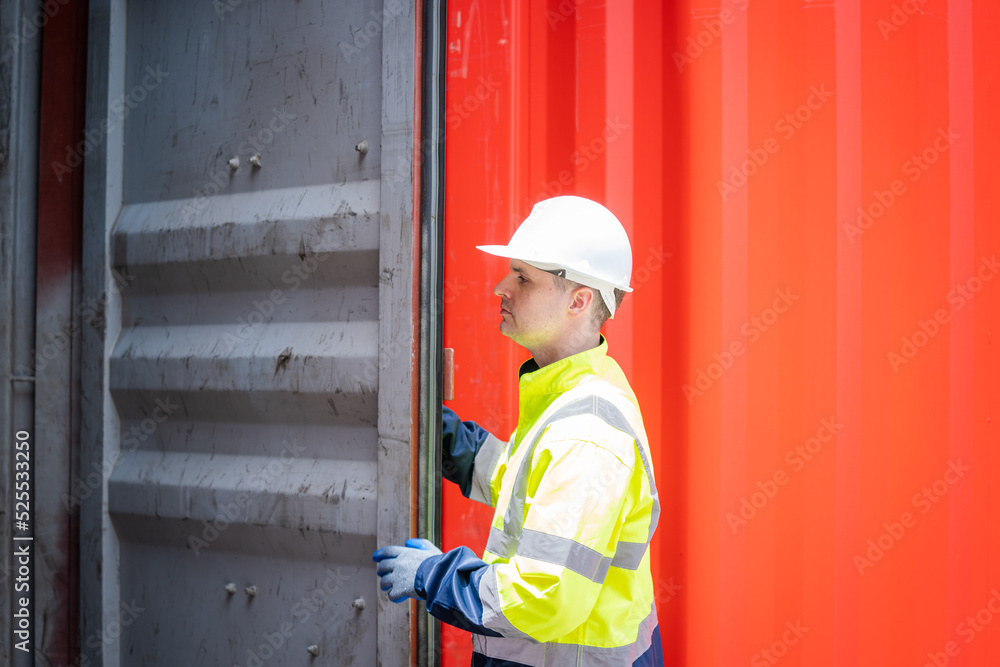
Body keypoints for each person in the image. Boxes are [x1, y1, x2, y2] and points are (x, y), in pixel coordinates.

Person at [374, 196, 663, 666]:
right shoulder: (572, 394)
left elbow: (542, 597)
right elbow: (523, 484)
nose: (500, 287)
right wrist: (439, 433)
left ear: (579, 300)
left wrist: (434, 574)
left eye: (523, 278)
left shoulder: (586, 434)